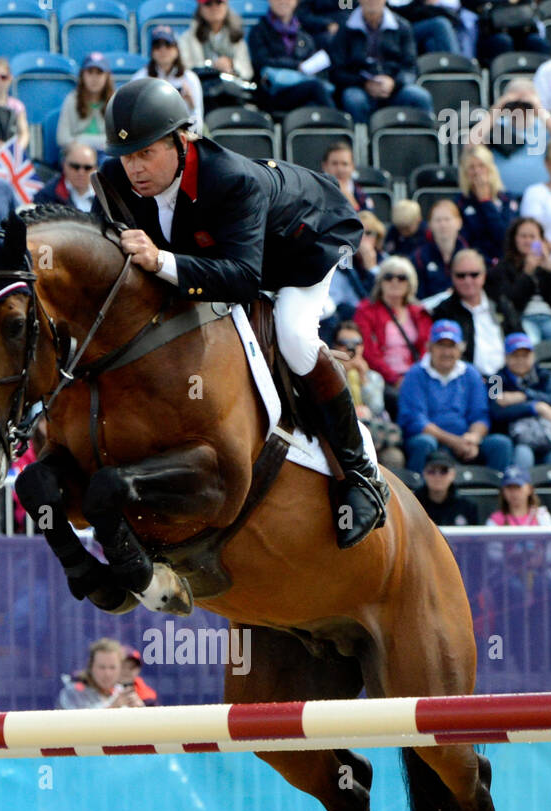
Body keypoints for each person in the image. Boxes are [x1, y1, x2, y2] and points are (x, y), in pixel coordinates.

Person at [102, 77, 389, 548]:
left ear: (182, 140)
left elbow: (240, 280)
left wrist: (161, 261)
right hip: (236, 254)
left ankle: (360, 475)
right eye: (127, 156)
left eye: (147, 153)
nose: (135, 168)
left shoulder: (231, 180)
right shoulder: (120, 181)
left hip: (304, 245)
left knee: (294, 336)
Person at [397, 318, 514, 474]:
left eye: (451, 346)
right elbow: (416, 421)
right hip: (433, 441)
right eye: (441, 345)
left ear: (461, 349)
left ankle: (495, 494)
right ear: (430, 347)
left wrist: (473, 438)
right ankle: (414, 495)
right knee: (424, 442)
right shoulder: (415, 374)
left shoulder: (471, 373)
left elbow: (480, 415)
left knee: (501, 444)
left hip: (464, 440)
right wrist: (455, 442)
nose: (446, 352)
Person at [467, 80, 551, 201]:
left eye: (526, 104)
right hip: (503, 198)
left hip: (544, 197)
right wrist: (497, 109)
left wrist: (539, 109)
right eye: (514, 104)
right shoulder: (496, 126)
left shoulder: (550, 124)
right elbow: (470, 147)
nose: (520, 108)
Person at [329, 0, 434, 125]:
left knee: (419, 96)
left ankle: (427, 140)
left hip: (395, 87)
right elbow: (337, 71)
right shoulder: (345, 29)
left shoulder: (402, 26)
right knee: (353, 99)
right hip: (360, 87)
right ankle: (361, 143)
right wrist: (364, 83)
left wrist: (394, 83)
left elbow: (410, 67)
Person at [488, 331, 551, 473]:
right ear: (505, 357)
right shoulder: (495, 379)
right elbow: (495, 412)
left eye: (525, 355)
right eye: (515, 355)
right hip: (517, 440)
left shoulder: (544, 375)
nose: (521, 360)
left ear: (533, 356)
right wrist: (535, 407)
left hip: (549, 436)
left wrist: (525, 396)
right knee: (523, 456)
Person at [487, 217, 551, 348]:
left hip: (549, 319)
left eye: (532, 236)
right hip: (523, 319)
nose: (528, 241)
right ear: (514, 239)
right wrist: (527, 273)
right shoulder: (502, 269)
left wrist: (549, 272)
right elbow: (511, 302)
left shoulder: (546, 267)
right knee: (530, 345)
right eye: (523, 236)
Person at [434, 249, 521, 378]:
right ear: (452, 277)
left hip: (503, 378)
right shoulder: (444, 311)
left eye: (474, 274)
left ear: (484, 275)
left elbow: (519, 339)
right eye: (461, 275)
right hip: (465, 380)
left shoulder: (501, 305)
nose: (468, 281)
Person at [332, 318, 405, 471]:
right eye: (343, 342)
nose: (349, 347)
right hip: (342, 429)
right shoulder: (328, 373)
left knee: (394, 456)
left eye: (356, 342)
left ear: (362, 346)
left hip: (371, 427)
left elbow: (376, 407)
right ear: (335, 346)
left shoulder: (373, 377)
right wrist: (342, 373)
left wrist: (363, 378)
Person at [354, 255, 432, 391]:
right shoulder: (366, 311)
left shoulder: (419, 312)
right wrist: (394, 379)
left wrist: (419, 377)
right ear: (380, 282)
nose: (395, 281)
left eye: (402, 278)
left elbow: (427, 348)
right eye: (388, 277)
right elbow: (368, 351)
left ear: (410, 283)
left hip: (417, 378)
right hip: (383, 381)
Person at [247, 0, 338, 113]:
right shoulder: (258, 31)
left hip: (302, 91)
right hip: (272, 93)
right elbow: (261, 61)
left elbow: (313, 63)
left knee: (317, 98)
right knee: (316, 88)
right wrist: (297, 66)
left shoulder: (304, 35)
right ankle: (338, 124)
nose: (283, 2)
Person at [455, 146, 519, 267]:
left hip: (504, 264)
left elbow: (504, 237)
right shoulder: (460, 202)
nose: (477, 171)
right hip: (474, 264)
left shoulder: (506, 199)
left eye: (481, 166)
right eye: (471, 167)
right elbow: (465, 239)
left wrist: (485, 202)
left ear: (490, 169)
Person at [136, 26, 204, 136]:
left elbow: (198, 127)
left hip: (183, 135)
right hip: (150, 136)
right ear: (152, 51)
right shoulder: (141, 78)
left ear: (176, 49)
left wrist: (191, 106)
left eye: (168, 44)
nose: (163, 50)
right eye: (157, 46)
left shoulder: (190, 79)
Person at [326, 209, 383, 321]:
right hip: (353, 319)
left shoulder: (386, 261)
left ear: (377, 238)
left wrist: (372, 269)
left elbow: (384, 298)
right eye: (359, 233)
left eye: (369, 233)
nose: (363, 238)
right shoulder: (343, 263)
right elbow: (338, 300)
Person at [57, 636, 145, 709]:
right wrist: (113, 707)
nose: (107, 673)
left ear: (120, 669)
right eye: (102, 667)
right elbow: (79, 726)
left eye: (112, 667)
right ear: (91, 667)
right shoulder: (73, 693)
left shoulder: (121, 692)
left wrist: (139, 711)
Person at [179, 0, 255, 81]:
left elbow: (247, 72)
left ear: (226, 5)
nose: (214, 8)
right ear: (200, 8)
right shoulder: (187, 38)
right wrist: (212, 67)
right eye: (208, 4)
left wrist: (231, 65)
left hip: (232, 89)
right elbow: (186, 71)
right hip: (203, 88)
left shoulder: (236, 35)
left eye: (219, 2)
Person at [56, 53, 114, 153]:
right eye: (90, 72)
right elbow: (62, 138)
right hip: (77, 154)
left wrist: (82, 140)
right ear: (82, 75)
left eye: (99, 73)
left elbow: (121, 136)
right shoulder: (72, 99)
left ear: (107, 76)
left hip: (106, 154)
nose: (94, 78)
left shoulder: (115, 101)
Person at [412, 200, 468, 302]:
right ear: (430, 224)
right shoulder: (419, 257)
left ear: (459, 222)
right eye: (438, 220)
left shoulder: (470, 256)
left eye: (447, 219)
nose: (443, 224)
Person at [414, 450, 480, 525]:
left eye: (444, 471)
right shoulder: (413, 504)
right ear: (424, 474)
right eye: (431, 471)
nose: (437, 476)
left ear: (453, 474)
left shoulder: (467, 507)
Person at [486, 461, 551, 528]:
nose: (514, 493)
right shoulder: (495, 520)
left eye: (518, 487)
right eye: (509, 488)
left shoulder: (541, 516)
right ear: (503, 491)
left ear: (529, 489)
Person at [34, 141, 98, 211]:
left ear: (95, 168)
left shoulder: (105, 195)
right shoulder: (47, 196)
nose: (81, 172)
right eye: (75, 166)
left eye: (87, 168)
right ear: (64, 165)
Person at [321, 139, 374, 213]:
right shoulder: (316, 193)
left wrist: (348, 197)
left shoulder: (361, 195)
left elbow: (367, 221)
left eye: (344, 164)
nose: (340, 169)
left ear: (352, 167)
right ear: (325, 166)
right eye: (334, 163)